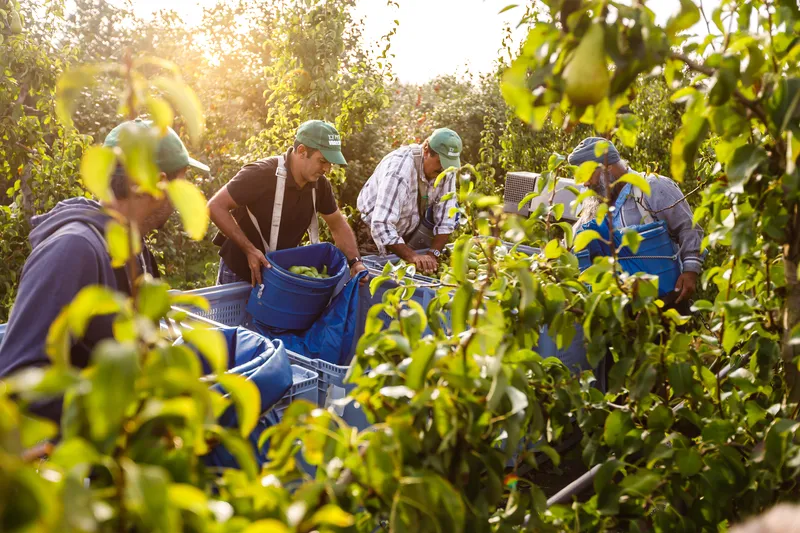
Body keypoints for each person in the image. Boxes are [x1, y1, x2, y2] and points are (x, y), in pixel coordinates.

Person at [0, 118, 209, 422]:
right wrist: (116, 413)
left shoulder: (132, 248)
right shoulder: (73, 249)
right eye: (182, 181)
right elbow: (18, 382)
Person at [208, 120, 366, 285]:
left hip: (278, 273)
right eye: (322, 161)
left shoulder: (320, 185)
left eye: (330, 163)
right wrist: (249, 250)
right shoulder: (261, 174)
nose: (327, 169)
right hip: (240, 270)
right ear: (302, 151)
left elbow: (337, 225)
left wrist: (355, 262)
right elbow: (215, 206)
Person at [569, 137, 704, 307]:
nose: (586, 183)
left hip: (668, 302)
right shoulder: (594, 204)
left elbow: (688, 228)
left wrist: (691, 272)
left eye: (587, 174)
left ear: (607, 166)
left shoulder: (652, 187)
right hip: (622, 308)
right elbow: (574, 244)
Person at [355, 128, 462, 274]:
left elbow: (446, 219)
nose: (444, 169)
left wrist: (433, 254)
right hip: (371, 235)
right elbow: (381, 224)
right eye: (440, 162)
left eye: (448, 164)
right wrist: (412, 256)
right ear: (426, 151)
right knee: (368, 277)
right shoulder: (399, 171)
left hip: (404, 235)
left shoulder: (446, 171)